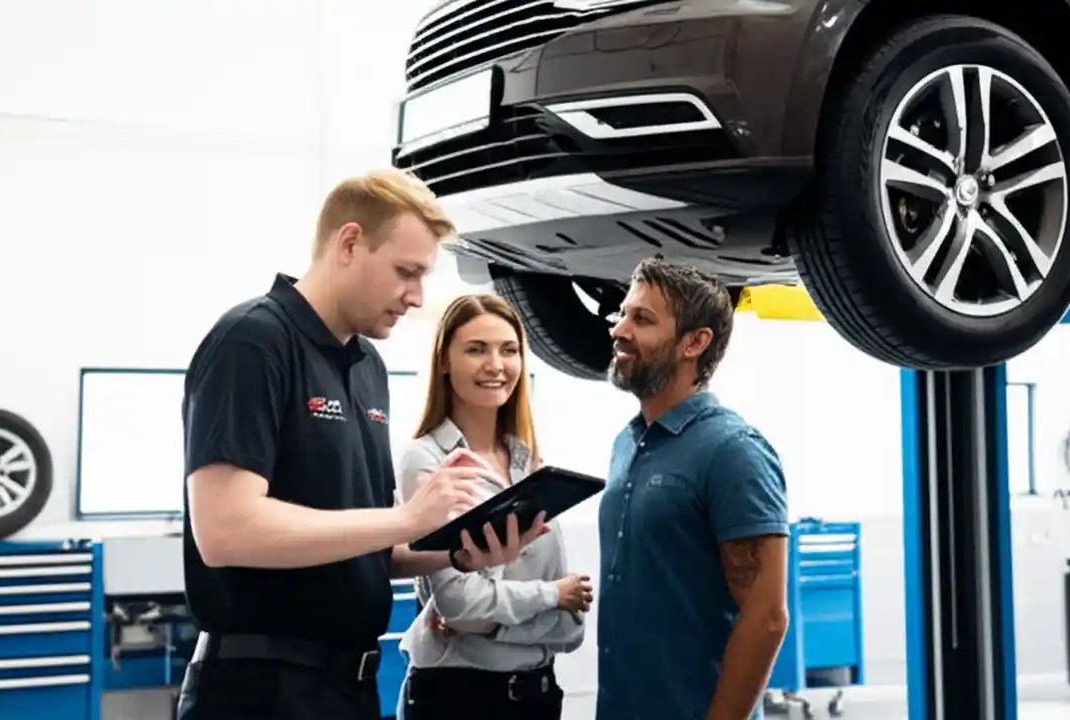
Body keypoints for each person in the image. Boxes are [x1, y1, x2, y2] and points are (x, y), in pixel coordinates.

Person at [177, 169, 548, 719]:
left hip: (348, 687)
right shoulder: (254, 341)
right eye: (407, 272)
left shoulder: (366, 366)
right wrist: (406, 520)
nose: (418, 297)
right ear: (349, 243)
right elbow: (226, 531)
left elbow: (365, 548)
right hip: (261, 691)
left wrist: (456, 552)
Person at [595, 256, 791, 720]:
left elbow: (766, 617)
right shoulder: (627, 442)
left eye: (642, 319)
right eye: (622, 314)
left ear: (695, 342)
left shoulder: (733, 450)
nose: (619, 330)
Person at [394, 293, 592, 720]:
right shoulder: (428, 459)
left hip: (538, 695)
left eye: (509, 350)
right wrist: (551, 596)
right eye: (476, 349)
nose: (496, 365)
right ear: (444, 360)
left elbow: (572, 630)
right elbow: (461, 606)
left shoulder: (528, 462)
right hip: (459, 698)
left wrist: (495, 623)